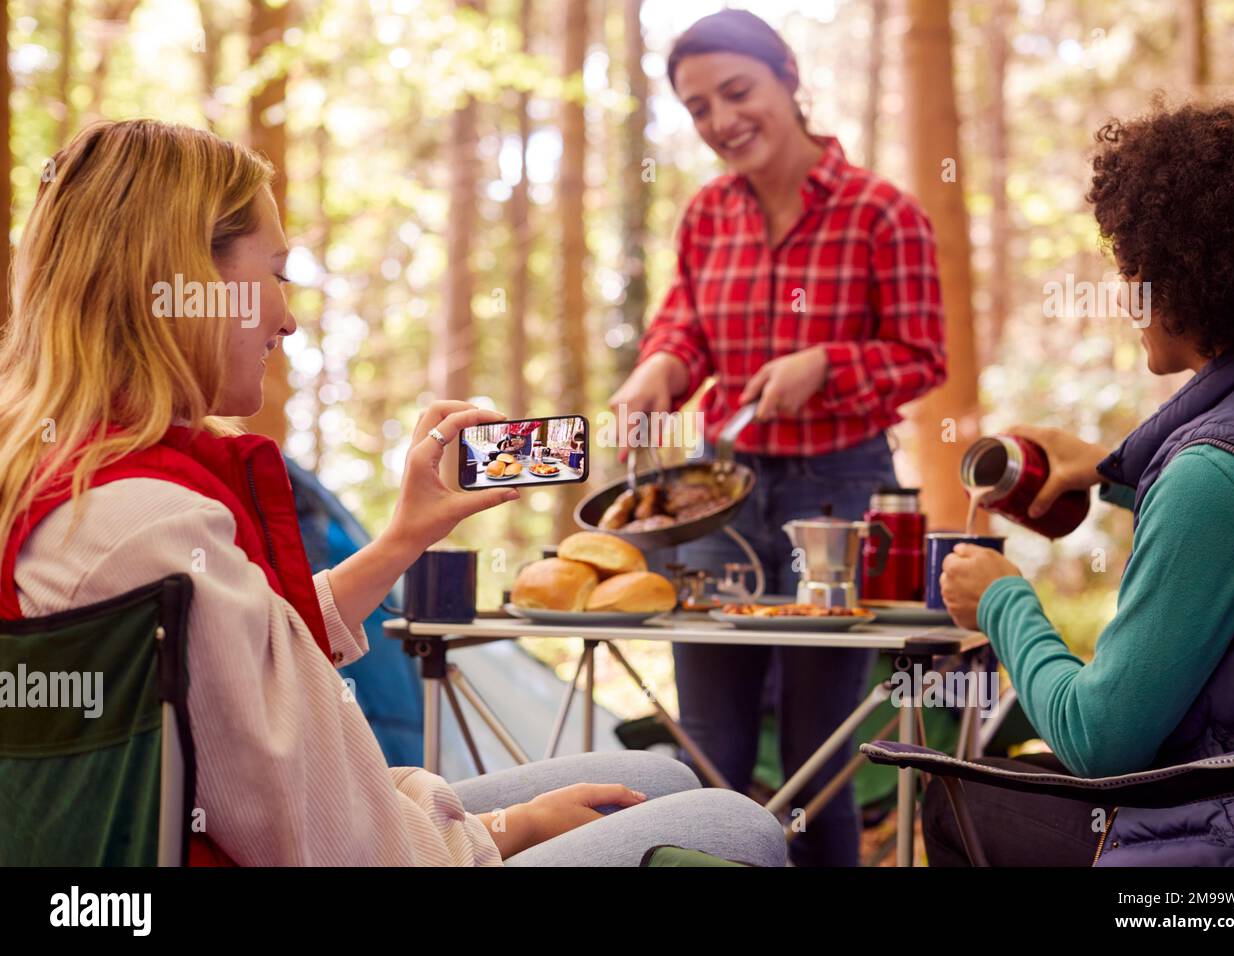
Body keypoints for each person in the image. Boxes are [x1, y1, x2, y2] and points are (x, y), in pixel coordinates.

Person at [0, 119, 787, 868]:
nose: (291, 318)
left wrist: (402, 539)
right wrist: (498, 832)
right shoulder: (152, 527)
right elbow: (330, 846)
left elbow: (258, 656)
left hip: (305, 834)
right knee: (732, 822)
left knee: (659, 782)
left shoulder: (80, 485)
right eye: (276, 273)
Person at [608, 10, 946, 866]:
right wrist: (657, 370)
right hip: (718, 493)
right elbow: (683, 333)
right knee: (709, 749)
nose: (720, 121)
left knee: (817, 757)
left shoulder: (883, 213)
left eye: (736, 92)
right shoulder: (706, 215)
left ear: (787, 76)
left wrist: (826, 364)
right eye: (697, 108)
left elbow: (921, 356)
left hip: (838, 492)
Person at [930, 95, 1234, 866]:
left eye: (1134, 271)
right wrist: (1109, 470)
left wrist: (1003, 604)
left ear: (1194, 278)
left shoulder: (1215, 476)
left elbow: (1101, 741)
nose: (1127, 299)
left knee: (962, 795)